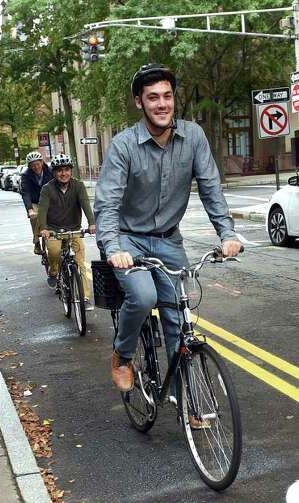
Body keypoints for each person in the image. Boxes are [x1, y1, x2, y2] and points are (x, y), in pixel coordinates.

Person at [95, 63, 241, 394]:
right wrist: (113, 248)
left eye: (167, 96)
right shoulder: (124, 145)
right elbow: (107, 203)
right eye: (152, 98)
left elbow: (210, 189)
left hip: (168, 240)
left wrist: (227, 234)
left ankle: (186, 398)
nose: (162, 104)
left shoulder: (193, 137)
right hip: (128, 239)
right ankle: (122, 354)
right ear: (139, 103)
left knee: (179, 315)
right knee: (145, 296)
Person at [37, 153, 96, 308]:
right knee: (54, 251)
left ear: (71, 170)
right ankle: (54, 272)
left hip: (73, 229)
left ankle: (84, 297)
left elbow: (85, 205)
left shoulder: (78, 186)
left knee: (79, 262)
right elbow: (42, 210)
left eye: (66, 169)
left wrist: (91, 223)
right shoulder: (47, 189)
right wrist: (43, 228)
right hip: (53, 230)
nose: (63, 173)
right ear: (54, 172)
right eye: (59, 170)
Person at [19, 151, 53, 254]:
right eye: (33, 165)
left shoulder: (50, 171)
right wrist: (30, 210)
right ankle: (37, 243)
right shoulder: (26, 175)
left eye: (38, 164)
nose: (36, 167)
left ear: (42, 162)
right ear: (29, 166)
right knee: (35, 217)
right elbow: (25, 193)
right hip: (35, 201)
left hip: (49, 200)